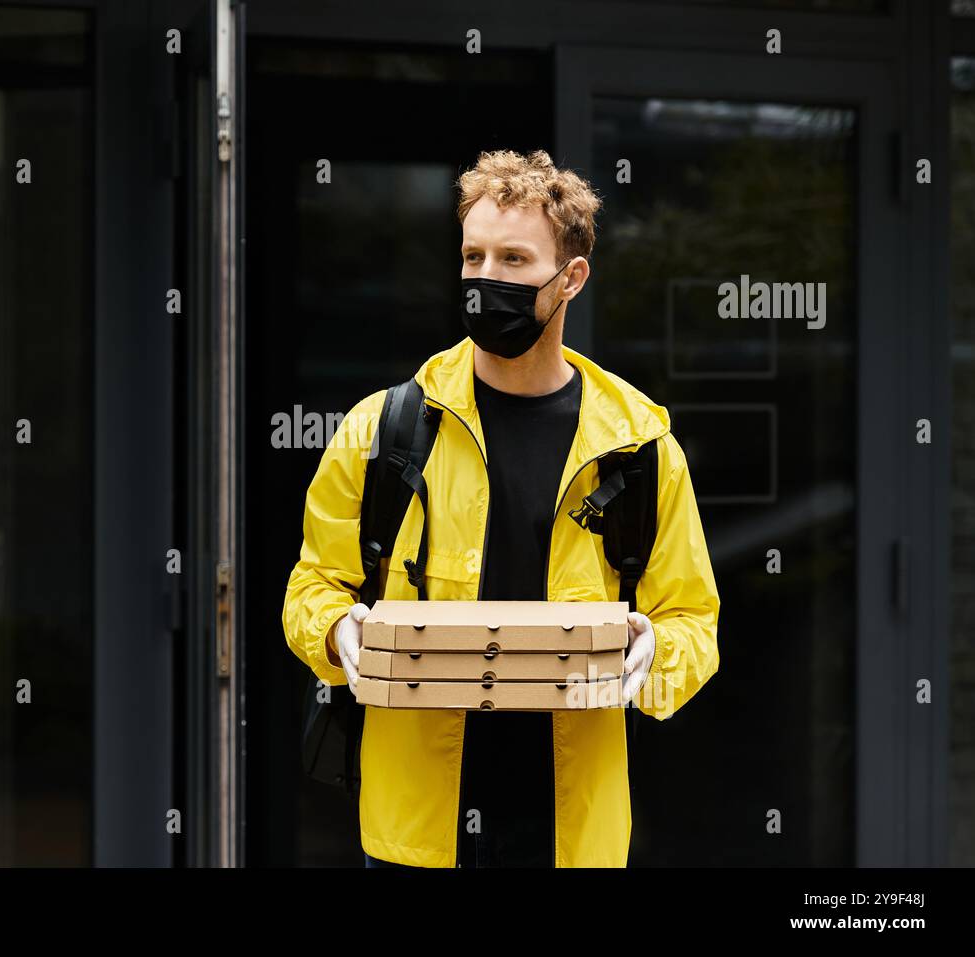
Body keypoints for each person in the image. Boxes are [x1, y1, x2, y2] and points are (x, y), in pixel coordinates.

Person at [283, 148, 721, 868]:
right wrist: (338, 633)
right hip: (417, 835)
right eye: (473, 256)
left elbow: (692, 622)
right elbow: (311, 586)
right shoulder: (383, 429)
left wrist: (654, 657)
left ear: (571, 278)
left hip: (569, 835)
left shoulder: (639, 446)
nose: (486, 280)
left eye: (514, 260)